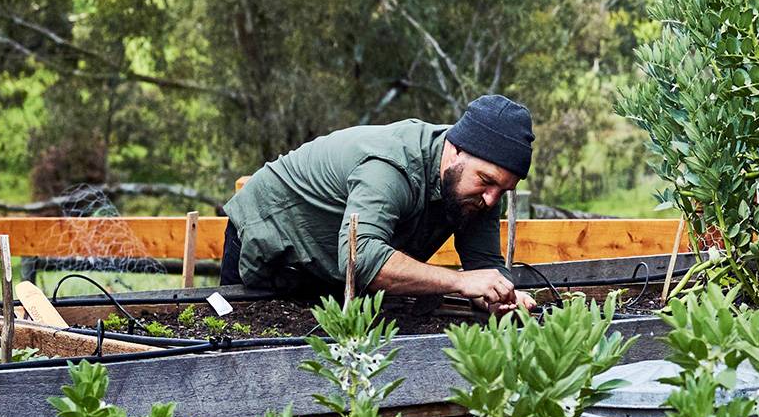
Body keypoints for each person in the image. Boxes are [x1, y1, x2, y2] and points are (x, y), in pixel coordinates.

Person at [222, 95, 537, 314]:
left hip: (326, 269)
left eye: (504, 190)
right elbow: (360, 258)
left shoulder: (480, 191)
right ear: (455, 151)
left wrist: (499, 297)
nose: (491, 198)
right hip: (269, 240)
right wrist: (460, 281)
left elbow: (484, 264)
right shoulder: (390, 166)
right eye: (486, 181)